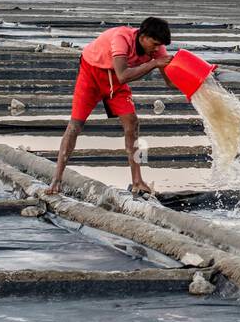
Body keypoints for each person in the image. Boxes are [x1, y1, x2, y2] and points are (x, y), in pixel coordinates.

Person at [46, 17, 174, 196]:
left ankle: (137, 181)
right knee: (75, 125)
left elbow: (170, 81)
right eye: (154, 44)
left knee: (132, 122)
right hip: (91, 72)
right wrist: (152, 64)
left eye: (159, 45)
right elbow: (123, 75)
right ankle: (56, 179)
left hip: (113, 80)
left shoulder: (157, 48)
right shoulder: (121, 39)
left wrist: (199, 77)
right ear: (143, 36)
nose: (156, 49)